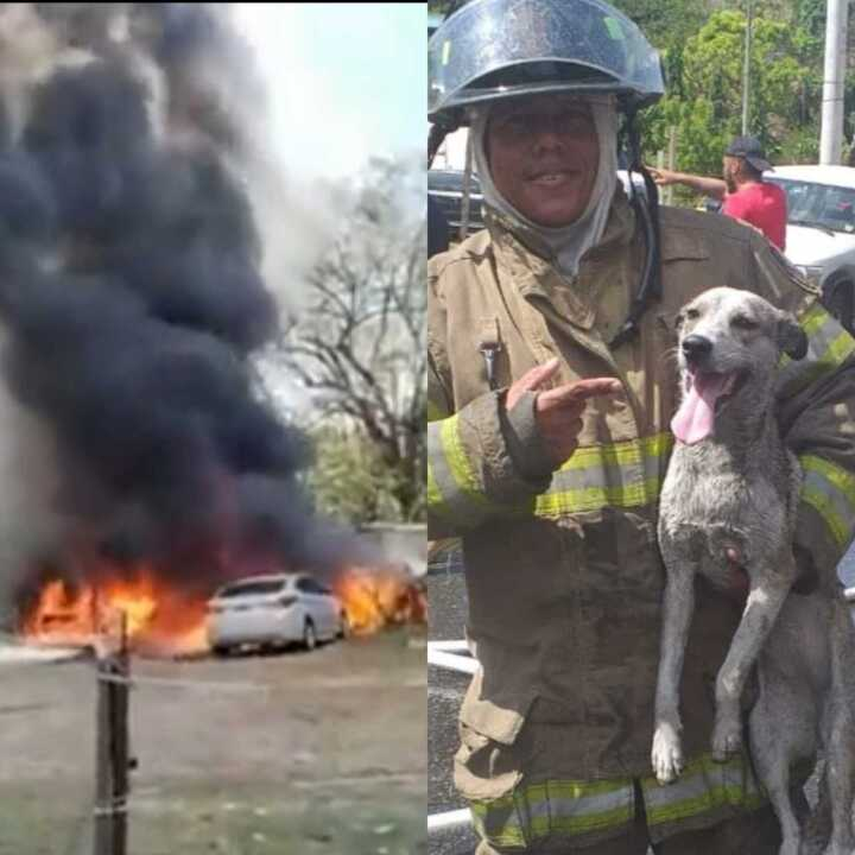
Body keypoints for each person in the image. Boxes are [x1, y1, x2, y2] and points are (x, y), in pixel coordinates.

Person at [426, 0, 855, 852]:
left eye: (568, 118)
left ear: (611, 131)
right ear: (478, 141)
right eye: (517, 123)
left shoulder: (723, 263)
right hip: (548, 771)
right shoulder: (439, 298)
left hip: (720, 757)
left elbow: (844, 397)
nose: (546, 143)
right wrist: (497, 447)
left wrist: (800, 535)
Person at [649, 136, 788, 250]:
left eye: (724, 165)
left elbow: (723, 248)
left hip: (744, 278)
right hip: (773, 273)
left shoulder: (738, 202)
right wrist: (678, 178)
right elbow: (724, 189)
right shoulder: (776, 194)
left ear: (735, 166)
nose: (724, 169)